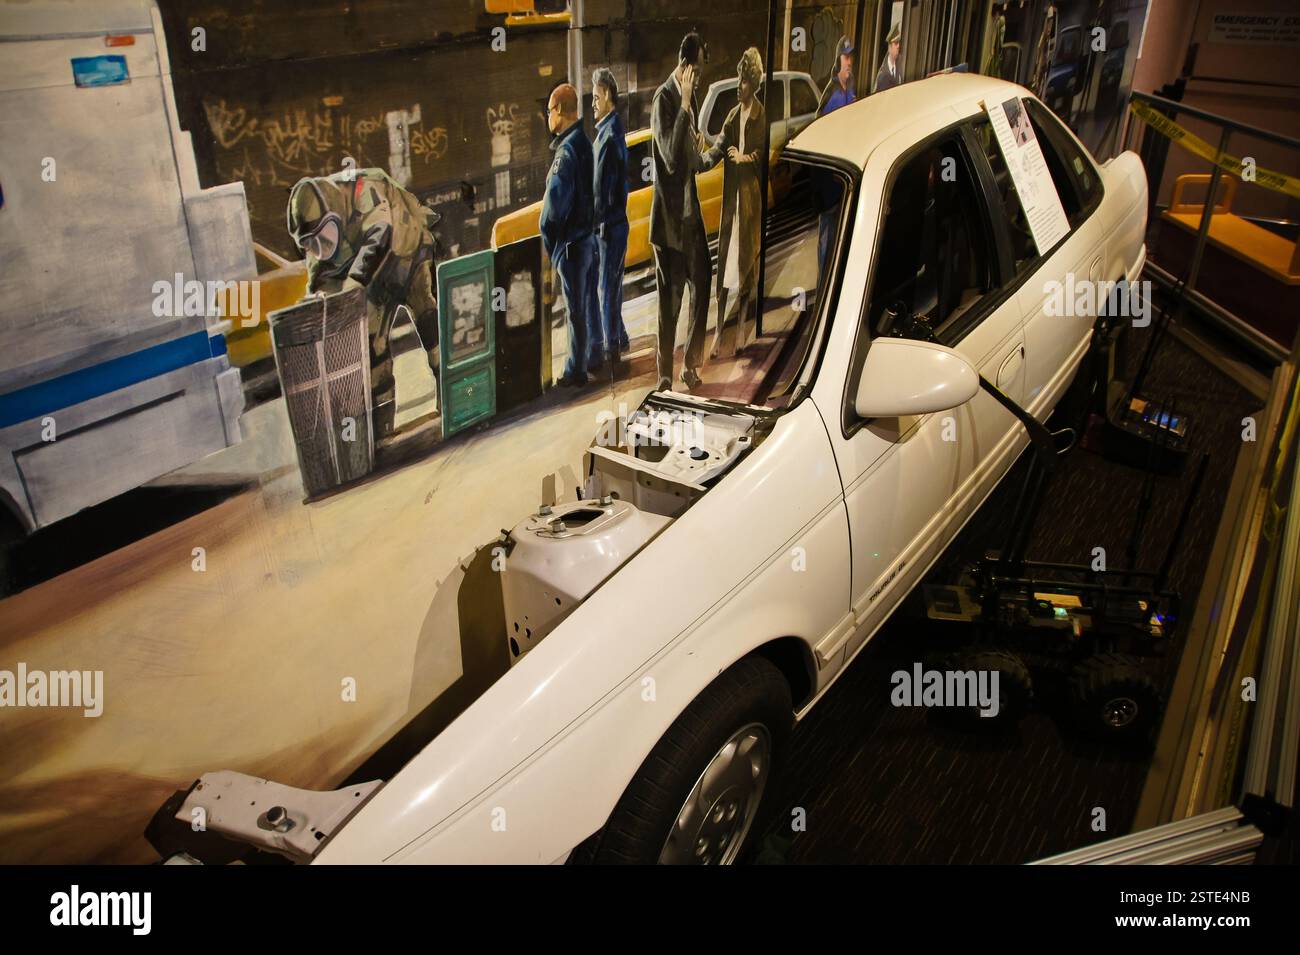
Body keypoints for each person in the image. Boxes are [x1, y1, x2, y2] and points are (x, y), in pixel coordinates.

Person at [287, 167, 439, 438]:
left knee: (428, 320)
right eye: (311, 244)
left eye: (324, 236)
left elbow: (380, 235)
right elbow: (318, 278)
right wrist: (317, 299)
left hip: (408, 254)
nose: (321, 248)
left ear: (334, 212)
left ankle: (451, 393)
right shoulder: (318, 244)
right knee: (372, 346)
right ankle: (383, 428)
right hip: (375, 279)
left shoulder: (363, 189)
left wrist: (353, 284)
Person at [650, 31, 711, 392]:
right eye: (698, 71)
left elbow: (687, 153)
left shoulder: (690, 95)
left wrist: (704, 144)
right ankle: (664, 377)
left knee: (702, 284)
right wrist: (686, 106)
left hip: (691, 217)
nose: (700, 78)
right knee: (668, 303)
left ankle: (690, 364)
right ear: (686, 67)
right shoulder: (666, 100)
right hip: (670, 222)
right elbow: (670, 161)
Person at [703, 47, 765, 360]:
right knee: (725, 270)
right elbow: (718, 148)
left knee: (744, 270)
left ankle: (741, 330)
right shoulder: (732, 115)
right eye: (739, 80)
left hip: (748, 203)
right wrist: (700, 162)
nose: (739, 86)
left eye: (743, 81)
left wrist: (744, 158)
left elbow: (761, 155)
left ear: (753, 84)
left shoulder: (759, 114)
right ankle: (718, 336)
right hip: (732, 207)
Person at [540, 83, 598, 388]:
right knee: (586, 305)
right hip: (587, 239)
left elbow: (553, 208)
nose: (547, 117)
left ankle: (576, 369)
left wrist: (549, 244)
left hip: (571, 245)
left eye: (549, 110)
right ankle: (590, 357)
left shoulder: (566, 151)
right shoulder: (585, 144)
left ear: (560, 110)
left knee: (575, 310)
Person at [591, 67, 631, 373]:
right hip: (616, 224)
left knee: (606, 287)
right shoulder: (612, 129)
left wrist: (593, 218)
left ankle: (611, 348)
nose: (592, 104)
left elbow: (601, 190)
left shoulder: (607, 137)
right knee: (613, 285)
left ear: (606, 96)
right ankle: (619, 337)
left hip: (608, 226)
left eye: (595, 97)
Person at [819, 36, 855, 115]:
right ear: (838, 62)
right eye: (846, 58)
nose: (849, 63)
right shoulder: (831, 93)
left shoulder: (851, 86)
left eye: (850, 58)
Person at [874, 23, 903, 93]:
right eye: (896, 43)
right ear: (889, 47)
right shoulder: (882, 75)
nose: (898, 46)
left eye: (899, 43)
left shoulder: (900, 63)